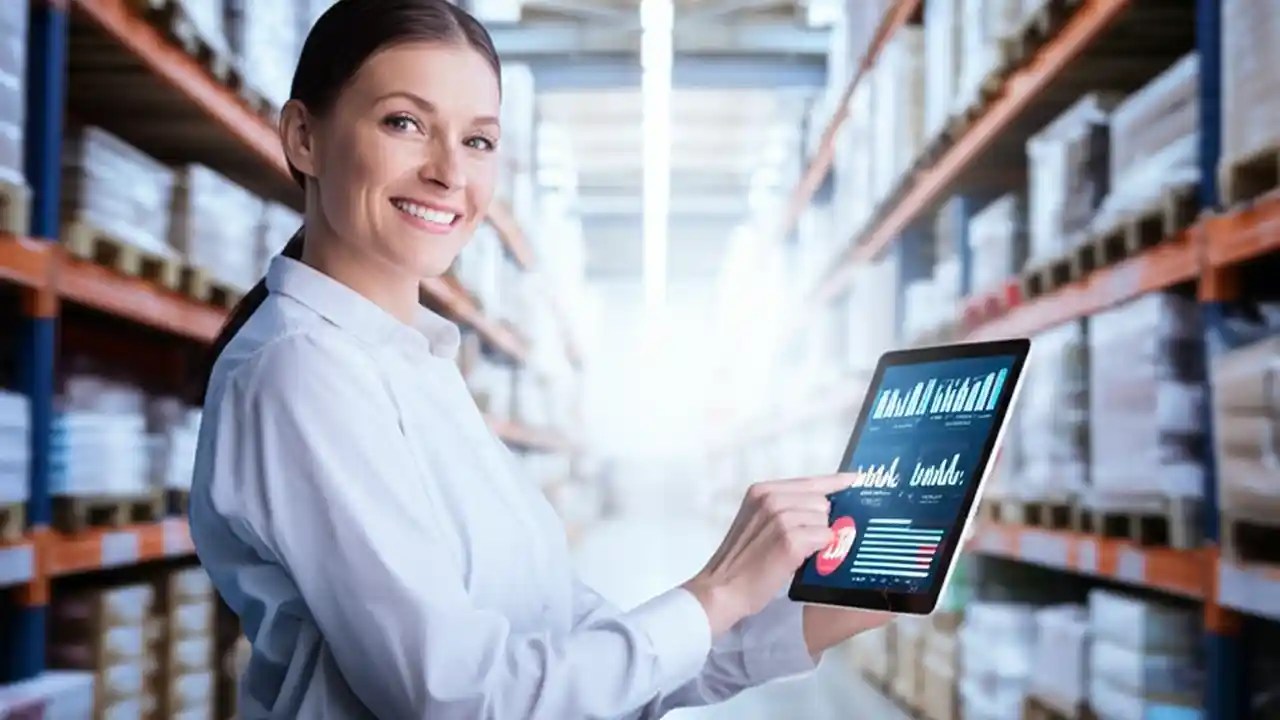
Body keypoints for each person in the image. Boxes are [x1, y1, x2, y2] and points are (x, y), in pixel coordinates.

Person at [190, 0, 891, 717]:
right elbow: (463, 699)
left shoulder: (416, 366)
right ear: (304, 137)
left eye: (479, 141)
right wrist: (716, 592)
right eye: (404, 123)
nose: (447, 172)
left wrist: (803, 619)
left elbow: (571, 655)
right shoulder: (305, 372)